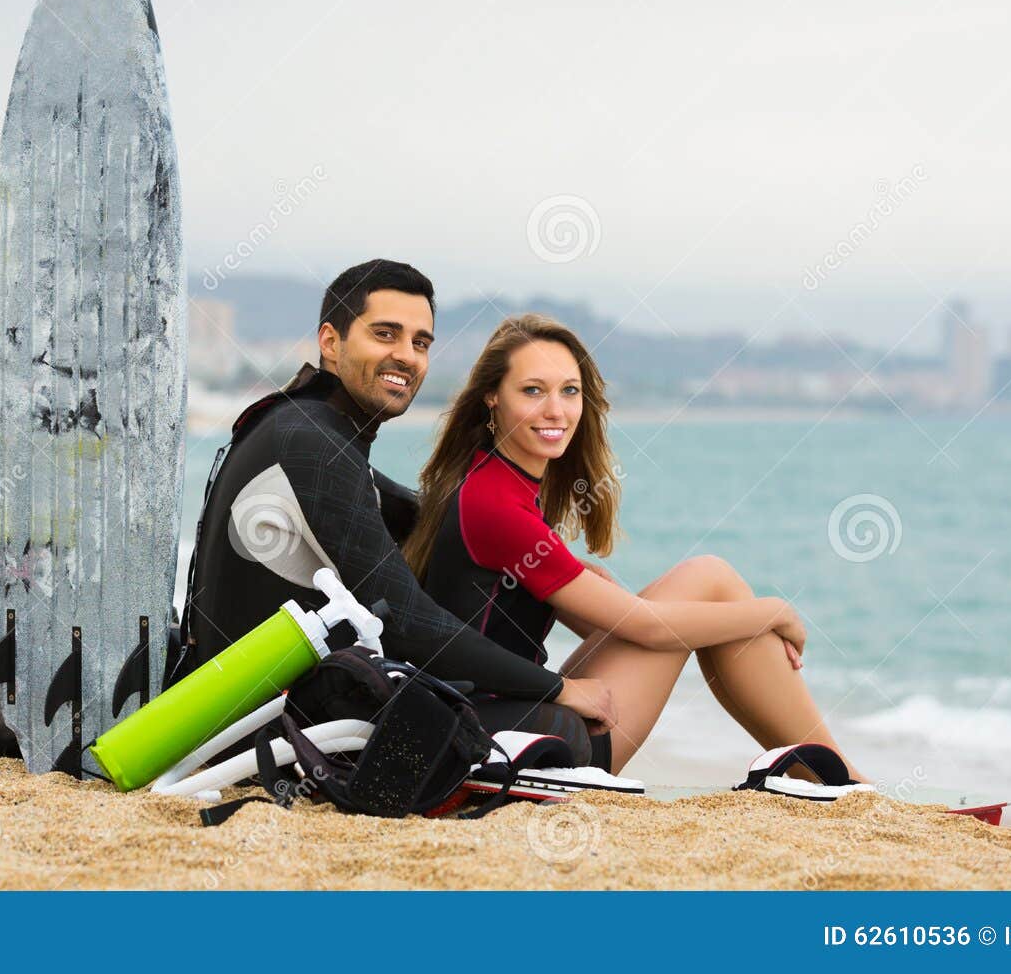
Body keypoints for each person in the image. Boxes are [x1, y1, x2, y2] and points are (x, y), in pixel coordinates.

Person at [167, 261, 617, 762]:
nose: (405, 356)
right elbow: (408, 622)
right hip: (266, 738)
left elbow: (424, 515)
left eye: (420, 342)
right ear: (331, 341)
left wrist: (558, 567)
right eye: (385, 334)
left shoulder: (309, 425)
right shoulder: (314, 444)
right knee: (566, 727)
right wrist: (557, 687)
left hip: (284, 715)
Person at [403, 312, 869, 780]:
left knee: (711, 594)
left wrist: (574, 578)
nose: (556, 410)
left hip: (504, 713)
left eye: (569, 390)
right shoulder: (497, 502)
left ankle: (830, 777)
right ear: (491, 397)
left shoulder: (492, 481)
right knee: (712, 583)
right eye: (532, 390)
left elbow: (596, 623)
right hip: (511, 737)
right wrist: (775, 611)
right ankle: (840, 780)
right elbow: (646, 628)